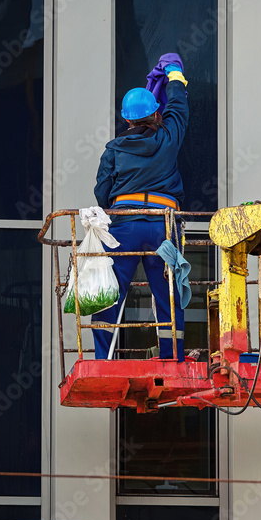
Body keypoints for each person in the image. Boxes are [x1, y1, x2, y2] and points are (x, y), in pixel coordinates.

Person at [92, 57, 189, 361]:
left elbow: (102, 191)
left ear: (127, 120)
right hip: (163, 226)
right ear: (156, 113)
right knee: (167, 295)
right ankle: (171, 356)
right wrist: (173, 75)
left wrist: (119, 207)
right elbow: (178, 106)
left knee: (110, 293)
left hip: (126, 225)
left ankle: (102, 358)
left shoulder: (114, 148)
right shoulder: (169, 137)